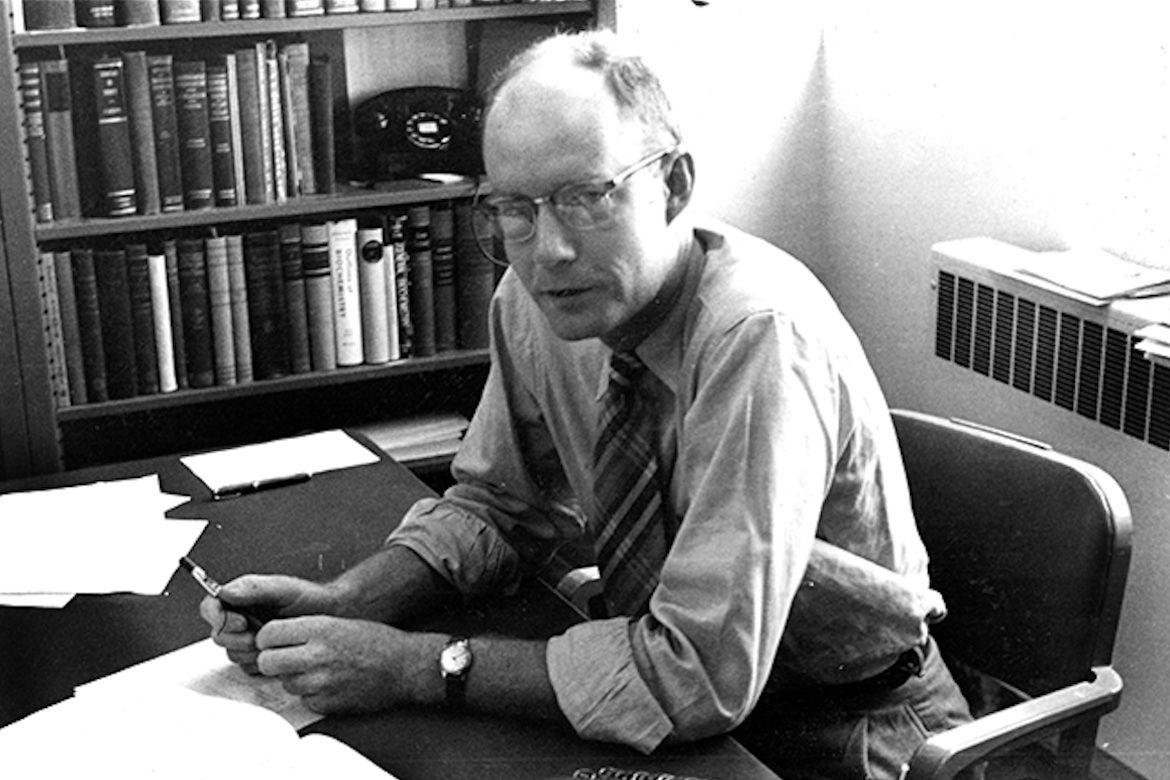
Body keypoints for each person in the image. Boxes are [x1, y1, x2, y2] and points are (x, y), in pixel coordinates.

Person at [200, 29, 974, 780]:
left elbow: (696, 677)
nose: (548, 250)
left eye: (584, 198)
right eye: (515, 208)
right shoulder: (538, 301)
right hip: (685, 707)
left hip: (851, 730)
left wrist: (413, 665)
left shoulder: (756, 337)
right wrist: (350, 601)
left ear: (673, 186)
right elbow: (497, 505)